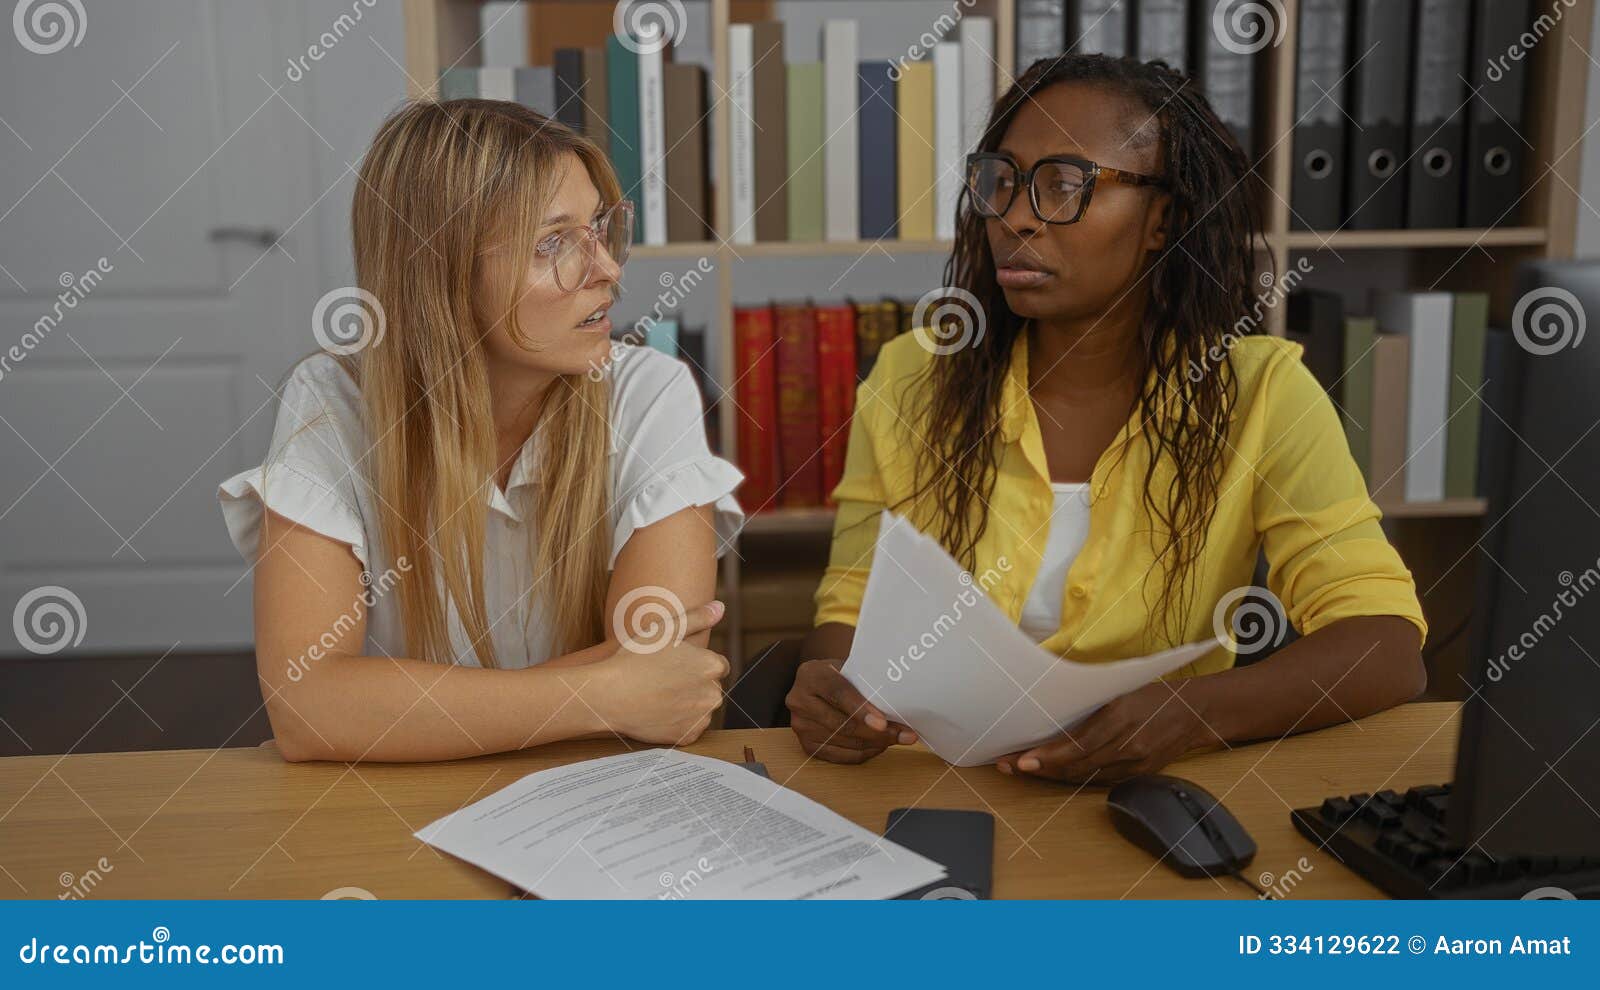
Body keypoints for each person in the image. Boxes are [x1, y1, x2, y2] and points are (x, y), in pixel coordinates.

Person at [788, 55, 1427, 782]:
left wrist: (1190, 713)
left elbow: (1385, 646)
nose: (1018, 215)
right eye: (1003, 179)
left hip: (1150, 789)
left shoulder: (1261, 394)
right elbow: (854, 601)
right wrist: (834, 685)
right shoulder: (916, 374)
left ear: (1164, 220)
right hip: (938, 784)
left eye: (1065, 184)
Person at [219, 101, 742, 762]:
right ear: (437, 272)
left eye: (602, 229)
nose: (607, 269)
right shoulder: (332, 403)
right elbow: (308, 709)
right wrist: (604, 693)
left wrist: (401, 710)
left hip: (595, 793)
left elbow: (666, 675)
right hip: (401, 811)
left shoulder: (648, 390)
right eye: (553, 243)